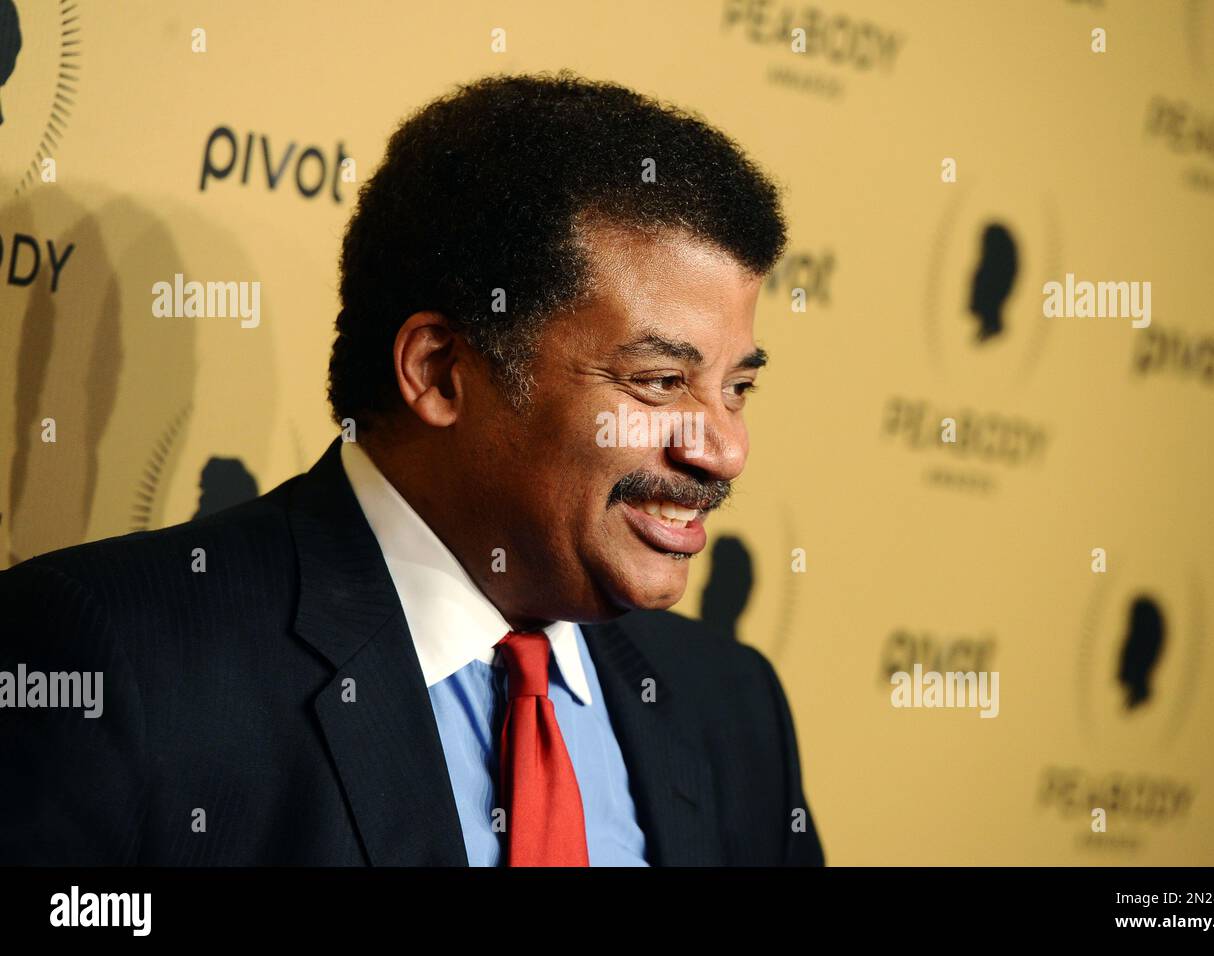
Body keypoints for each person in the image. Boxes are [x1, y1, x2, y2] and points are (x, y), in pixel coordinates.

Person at [0, 70, 824, 866]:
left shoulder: (733, 707)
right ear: (438, 372)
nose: (722, 449)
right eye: (660, 382)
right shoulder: (115, 659)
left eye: (737, 387)